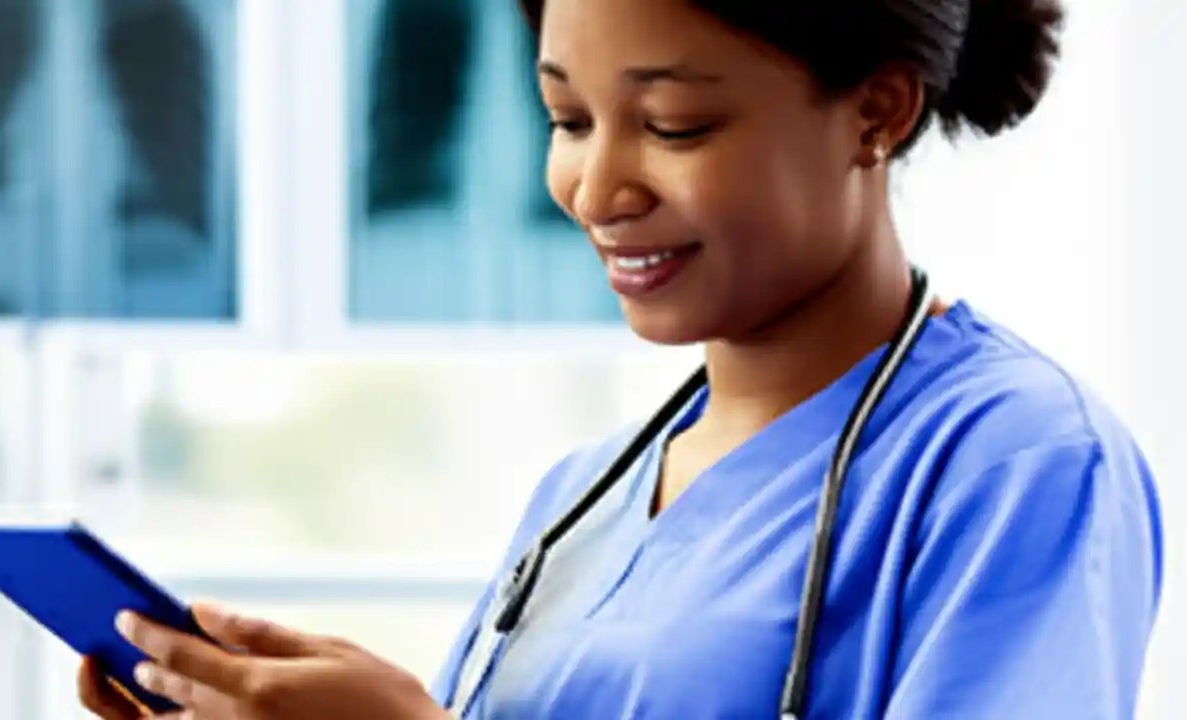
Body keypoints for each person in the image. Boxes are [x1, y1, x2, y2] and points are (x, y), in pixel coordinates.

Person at [79, 0, 1164, 717]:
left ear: (873, 113)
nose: (595, 192)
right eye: (566, 119)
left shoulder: (1014, 462)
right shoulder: (581, 501)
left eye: (674, 125)